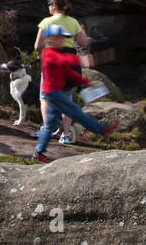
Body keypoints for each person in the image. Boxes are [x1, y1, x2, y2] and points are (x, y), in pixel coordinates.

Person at [33, 25, 117, 162]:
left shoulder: (56, 53)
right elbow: (62, 61)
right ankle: (101, 130)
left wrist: (86, 82)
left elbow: (69, 72)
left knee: (49, 125)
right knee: (76, 112)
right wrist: (81, 60)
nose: (62, 41)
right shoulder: (48, 53)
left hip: (53, 93)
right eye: (60, 38)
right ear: (50, 39)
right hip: (53, 93)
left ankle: (38, 153)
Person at [33, 0, 92, 145]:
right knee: (67, 99)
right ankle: (65, 135)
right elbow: (83, 43)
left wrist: (41, 57)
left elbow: (37, 45)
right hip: (69, 60)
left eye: (49, 5)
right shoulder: (73, 22)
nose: (48, 8)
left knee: (44, 98)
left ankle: (47, 129)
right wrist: (82, 31)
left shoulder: (46, 22)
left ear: (54, 6)